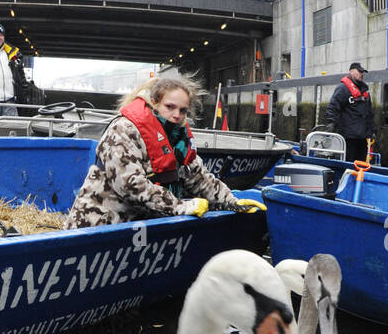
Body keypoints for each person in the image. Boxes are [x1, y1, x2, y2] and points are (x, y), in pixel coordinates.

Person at [64, 73, 262, 229]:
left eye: (183, 110)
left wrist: (232, 201)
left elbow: (198, 178)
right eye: (170, 107)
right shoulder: (124, 130)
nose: (176, 115)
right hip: (99, 225)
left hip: (140, 227)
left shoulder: (177, 138)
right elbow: (132, 186)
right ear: (155, 103)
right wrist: (182, 207)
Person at [325, 62, 376, 164]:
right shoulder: (343, 88)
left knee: (361, 164)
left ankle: (358, 179)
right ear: (351, 71)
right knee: (347, 163)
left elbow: (369, 113)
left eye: (363, 72)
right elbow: (333, 107)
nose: (362, 74)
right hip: (348, 137)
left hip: (362, 137)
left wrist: (372, 130)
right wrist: (331, 124)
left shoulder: (365, 91)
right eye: (360, 72)